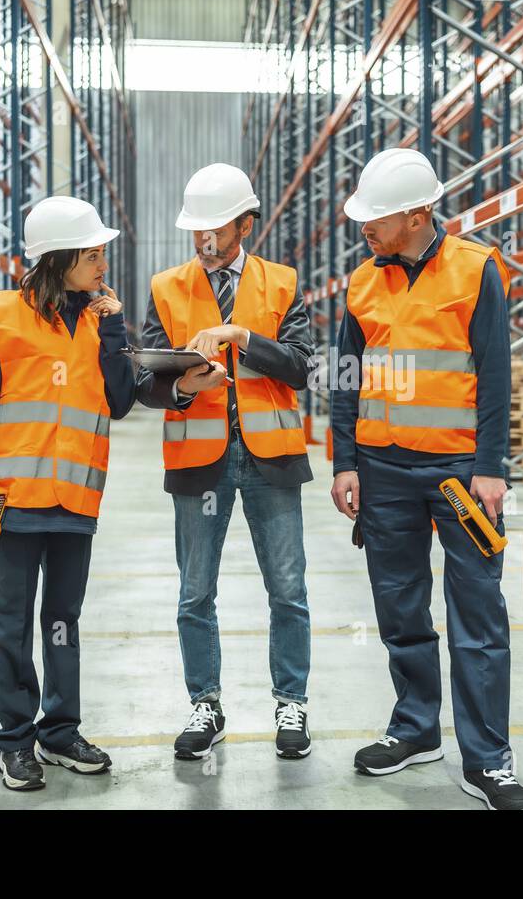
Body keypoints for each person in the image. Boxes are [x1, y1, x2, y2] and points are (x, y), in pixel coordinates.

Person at [329, 148, 523, 810]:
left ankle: (489, 761)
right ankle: (415, 729)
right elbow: (344, 380)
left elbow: (496, 376)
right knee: (400, 609)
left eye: (378, 217)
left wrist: (493, 468)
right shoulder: (361, 281)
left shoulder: (477, 270)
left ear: (419, 213)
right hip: (383, 471)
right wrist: (343, 461)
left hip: (458, 474)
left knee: (477, 615)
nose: (367, 227)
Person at [0, 196, 136, 792]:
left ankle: (60, 732)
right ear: (59, 259)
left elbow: (120, 401)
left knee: (63, 620)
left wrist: (115, 332)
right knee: (12, 622)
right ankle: (14, 740)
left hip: (75, 503)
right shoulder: (4, 316)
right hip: (14, 502)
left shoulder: (97, 319)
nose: (102, 262)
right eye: (92, 253)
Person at [135, 163, 315, 761]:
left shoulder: (282, 282)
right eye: (196, 230)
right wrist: (184, 389)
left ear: (245, 222)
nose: (204, 240)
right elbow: (145, 380)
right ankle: (205, 705)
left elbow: (302, 367)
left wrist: (243, 338)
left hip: (271, 457)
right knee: (195, 592)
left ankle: (292, 705)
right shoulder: (166, 287)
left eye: (214, 228)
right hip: (199, 458)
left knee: (287, 590)